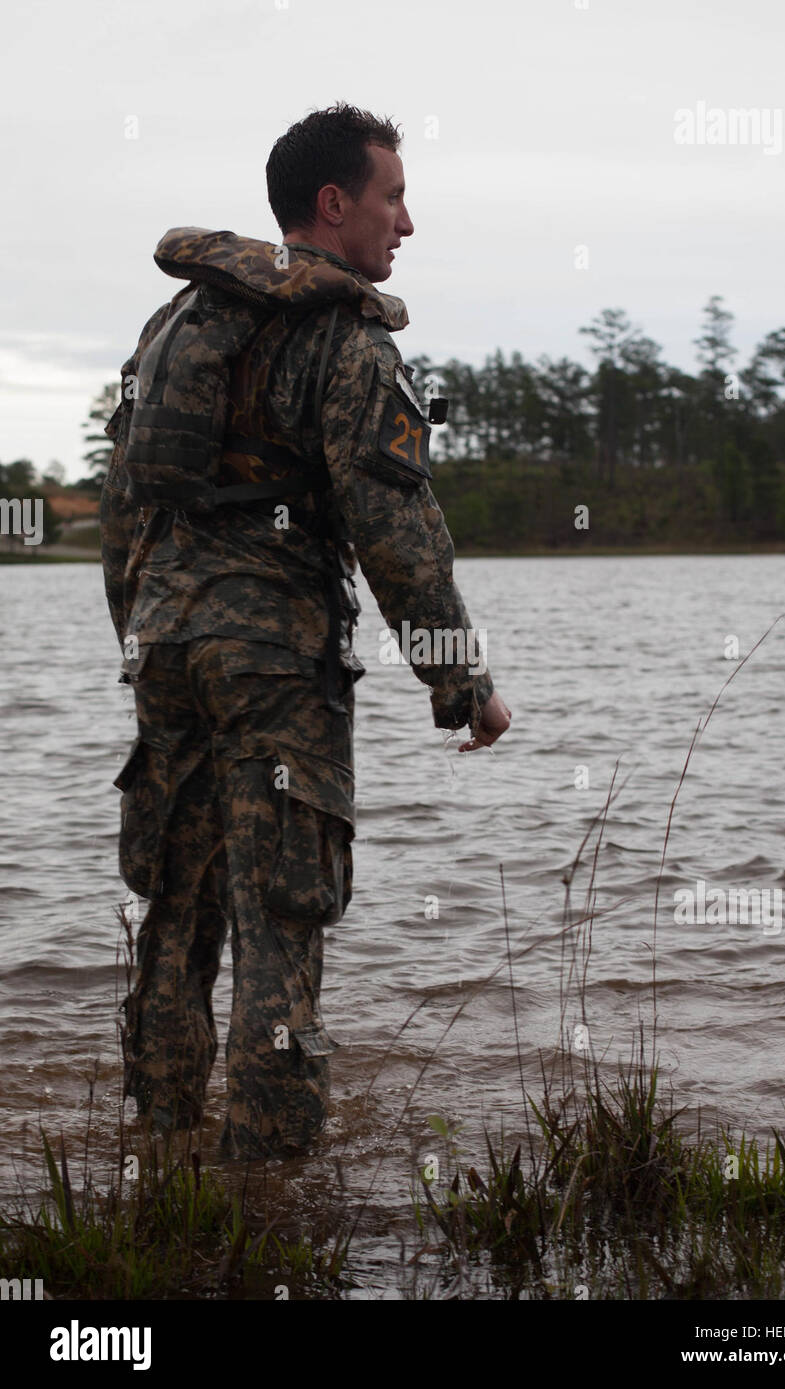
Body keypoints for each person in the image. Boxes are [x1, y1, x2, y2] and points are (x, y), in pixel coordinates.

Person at [100, 103, 511, 1160]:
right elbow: (396, 531)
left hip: (168, 651)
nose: (405, 223)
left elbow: (123, 508)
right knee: (280, 913)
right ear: (334, 205)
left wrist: (141, 635)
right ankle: (271, 1182)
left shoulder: (179, 321)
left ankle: (160, 1151)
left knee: (177, 914)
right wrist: (460, 683)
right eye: (392, 197)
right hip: (275, 664)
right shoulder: (342, 336)